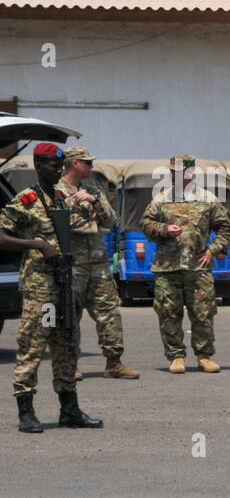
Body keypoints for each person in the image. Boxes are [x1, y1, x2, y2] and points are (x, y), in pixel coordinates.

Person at [0, 142, 102, 432]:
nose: (58, 170)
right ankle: (26, 411)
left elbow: (102, 221)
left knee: (67, 345)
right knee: (34, 344)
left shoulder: (60, 198)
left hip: (64, 284)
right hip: (41, 288)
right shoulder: (26, 200)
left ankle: (70, 409)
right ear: (38, 165)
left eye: (60, 165)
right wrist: (36, 244)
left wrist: (93, 202)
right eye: (52, 165)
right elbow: (1, 237)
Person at [142, 154, 230, 374]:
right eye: (172, 172)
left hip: (198, 267)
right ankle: (176, 357)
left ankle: (204, 356)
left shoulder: (208, 199)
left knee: (203, 313)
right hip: (167, 267)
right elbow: (146, 223)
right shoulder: (161, 198)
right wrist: (164, 230)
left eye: (179, 172)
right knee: (169, 314)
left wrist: (213, 249)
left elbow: (225, 228)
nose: (175, 176)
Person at [57, 147, 139, 380]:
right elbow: (61, 227)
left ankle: (114, 362)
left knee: (110, 313)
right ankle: (70, 364)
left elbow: (112, 220)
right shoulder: (57, 192)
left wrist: (95, 203)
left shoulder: (91, 190)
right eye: (87, 163)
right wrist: (82, 215)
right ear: (74, 164)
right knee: (71, 317)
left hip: (98, 264)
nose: (91, 167)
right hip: (73, 266)